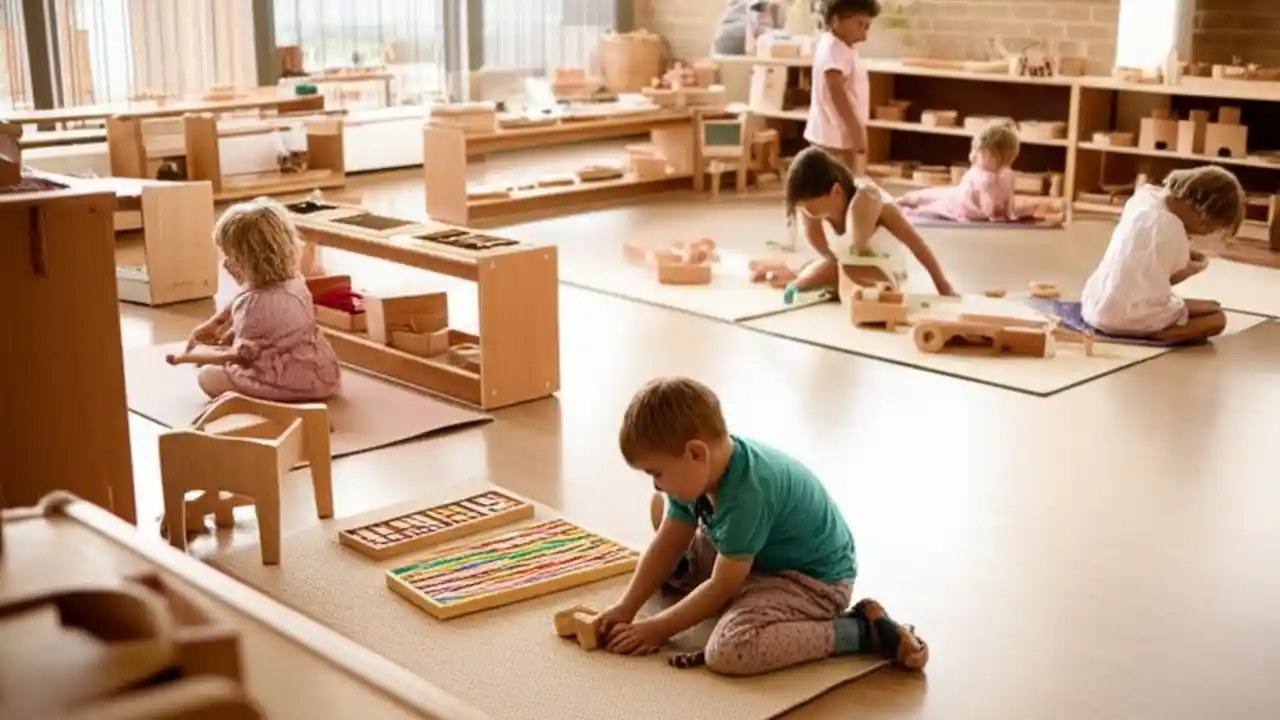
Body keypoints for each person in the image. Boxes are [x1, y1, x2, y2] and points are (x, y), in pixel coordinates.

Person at [597, 377, 929, 676]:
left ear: (695, 453)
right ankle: (692, 570)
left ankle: (861, 631)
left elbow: (722, 586)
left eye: (656, 473)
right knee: (665, 514)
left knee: (729, 650)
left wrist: (658, 628)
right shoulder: (704, 470)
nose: (655, 483)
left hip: (810, 581)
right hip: (752, 559)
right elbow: (668, 540)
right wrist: (626, 607)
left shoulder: (749, 492)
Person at [167, 197, 342, 401]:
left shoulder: (252, 304)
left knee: (208, 377)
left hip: (285, 382)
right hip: (323, 376)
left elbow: (240, 355)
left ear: (247, 261)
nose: (225, 264)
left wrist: (189, 357)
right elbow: (253, 315)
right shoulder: (295, 281)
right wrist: (215, 323)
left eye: (231, 257)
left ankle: (271, 398)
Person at [1080, 166, 1243, 343]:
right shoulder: (1173, 230)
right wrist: (1193, 267)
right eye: (1208, 227)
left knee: (1210, 305)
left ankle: (1164, 318)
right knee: (1217, 318)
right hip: (1124, 317)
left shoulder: (1145, 198)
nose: (1203, 233)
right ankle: (1160, 334)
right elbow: (1171, 278)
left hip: (1094, 305)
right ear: (1203, 214)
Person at [778, 146, 956, 303]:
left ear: (836, 191)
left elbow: (917, 245)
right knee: (826, 271)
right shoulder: (814, 213)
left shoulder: (874, 204)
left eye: (809, 206)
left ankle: (801, 284)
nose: (807, 213)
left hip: (883, 271)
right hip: (843, 266)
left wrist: (943, 286)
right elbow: (831, 258)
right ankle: (796, 283)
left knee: (852, 282)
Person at [897, 121, 1046, 223]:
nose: (975, 156)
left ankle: (905, 204)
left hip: (960, 206)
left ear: (993, 156)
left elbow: (995, 204)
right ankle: (905, 200)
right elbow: (1000, 203)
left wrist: (1001, 215)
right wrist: (1004, 215)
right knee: (932, 195)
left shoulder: (991, 176)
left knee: (932, 204)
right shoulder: (989, 174)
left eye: (981, 153)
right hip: (959, 198)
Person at [803, 0, 880, 172]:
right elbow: (836, 92)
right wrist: (855, 130)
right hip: (833, 134)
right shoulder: (832, 49)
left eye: (867, 27)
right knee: (837, 181)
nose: (864, 34)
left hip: (840, 134)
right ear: (835, 20)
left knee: (847, 179)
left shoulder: (845, 47)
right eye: (860, 25)